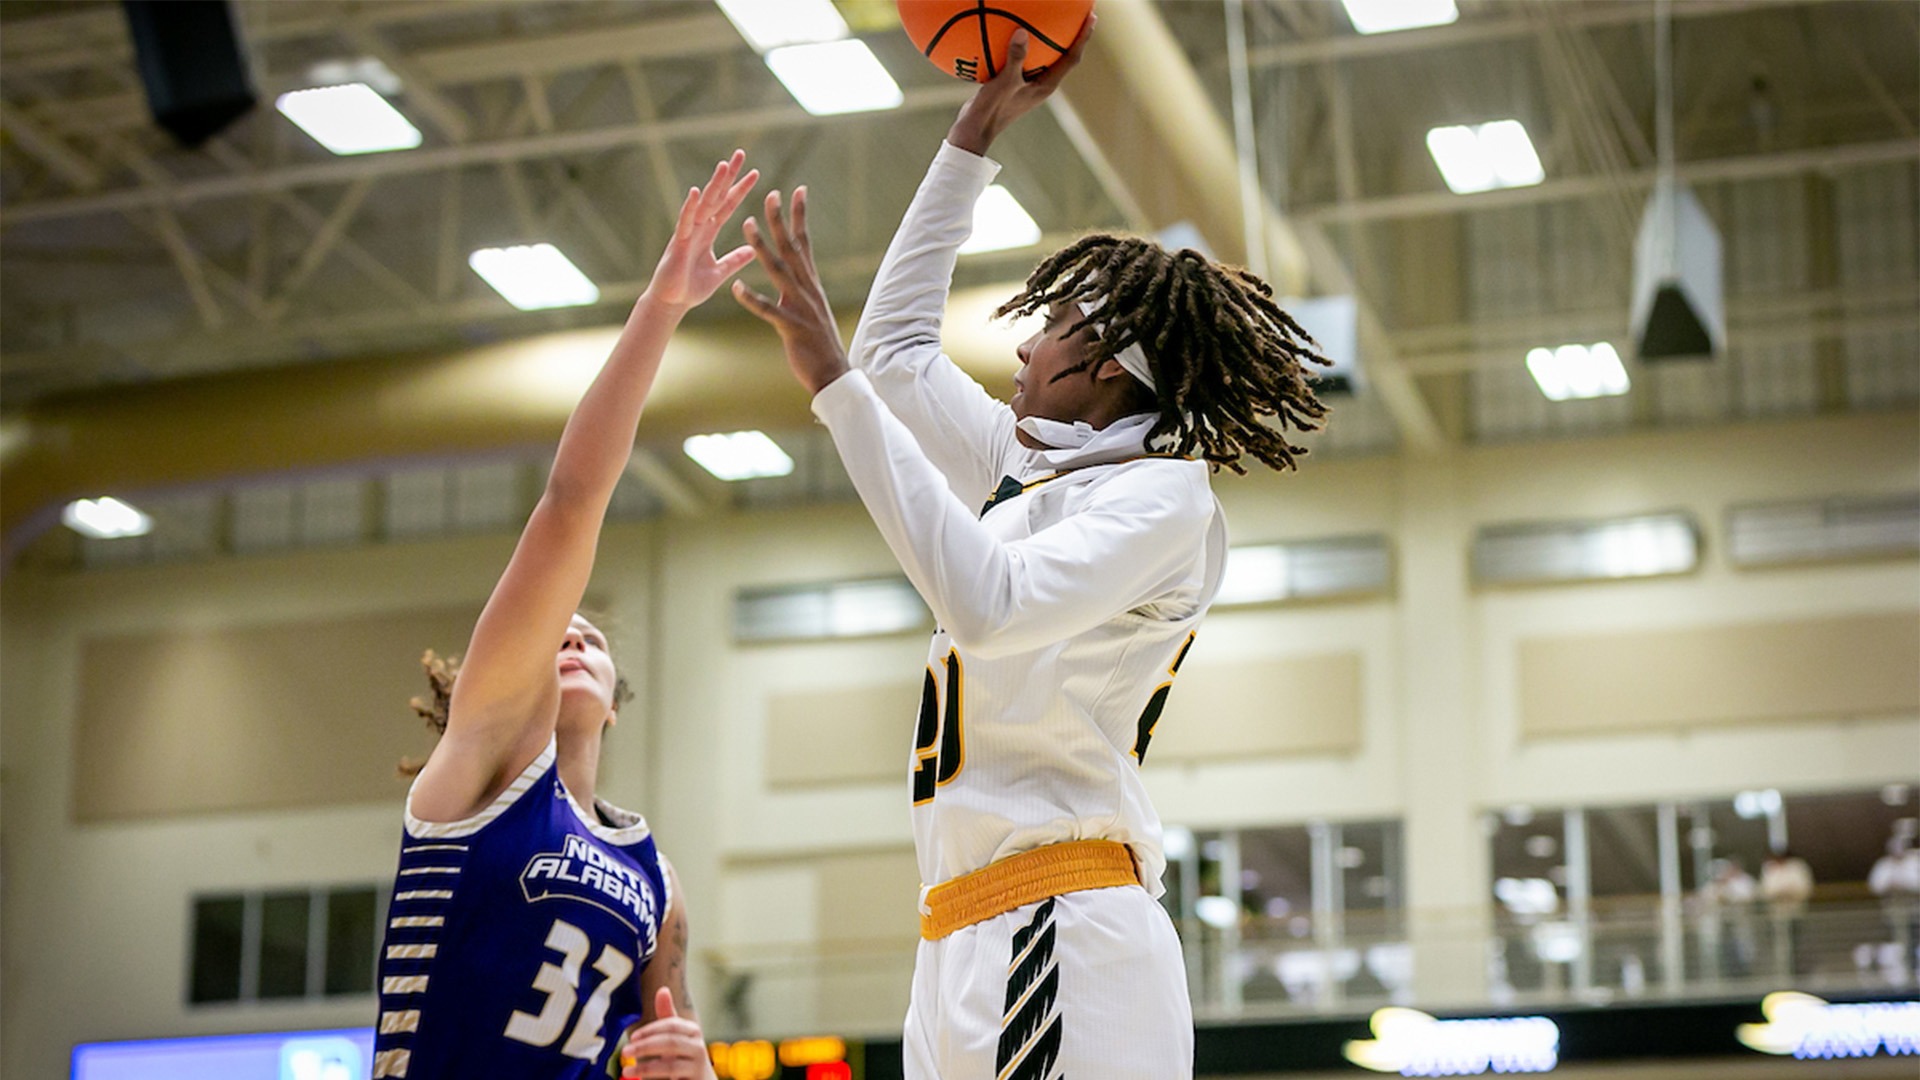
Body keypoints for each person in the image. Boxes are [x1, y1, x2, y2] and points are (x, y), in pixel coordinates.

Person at [733, 20, 1331, 1078]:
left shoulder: (1163, 500)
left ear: (1105, 362)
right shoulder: (1030, 467)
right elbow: (896, 353)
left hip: (1066, 921)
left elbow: (992, 606)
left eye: (1047, 325)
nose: (1021, 342)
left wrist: (838, 394)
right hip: (955, 933)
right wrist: (970, 137)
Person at [371, 151, 760, 1080]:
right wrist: (660, 311)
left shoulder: (652, 878)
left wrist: (693, 1069)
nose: (572, 633)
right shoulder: (487, 769)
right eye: (556, 629)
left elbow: (679, 1046)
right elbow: (573, 501)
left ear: (616, 702)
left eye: (590, 633)